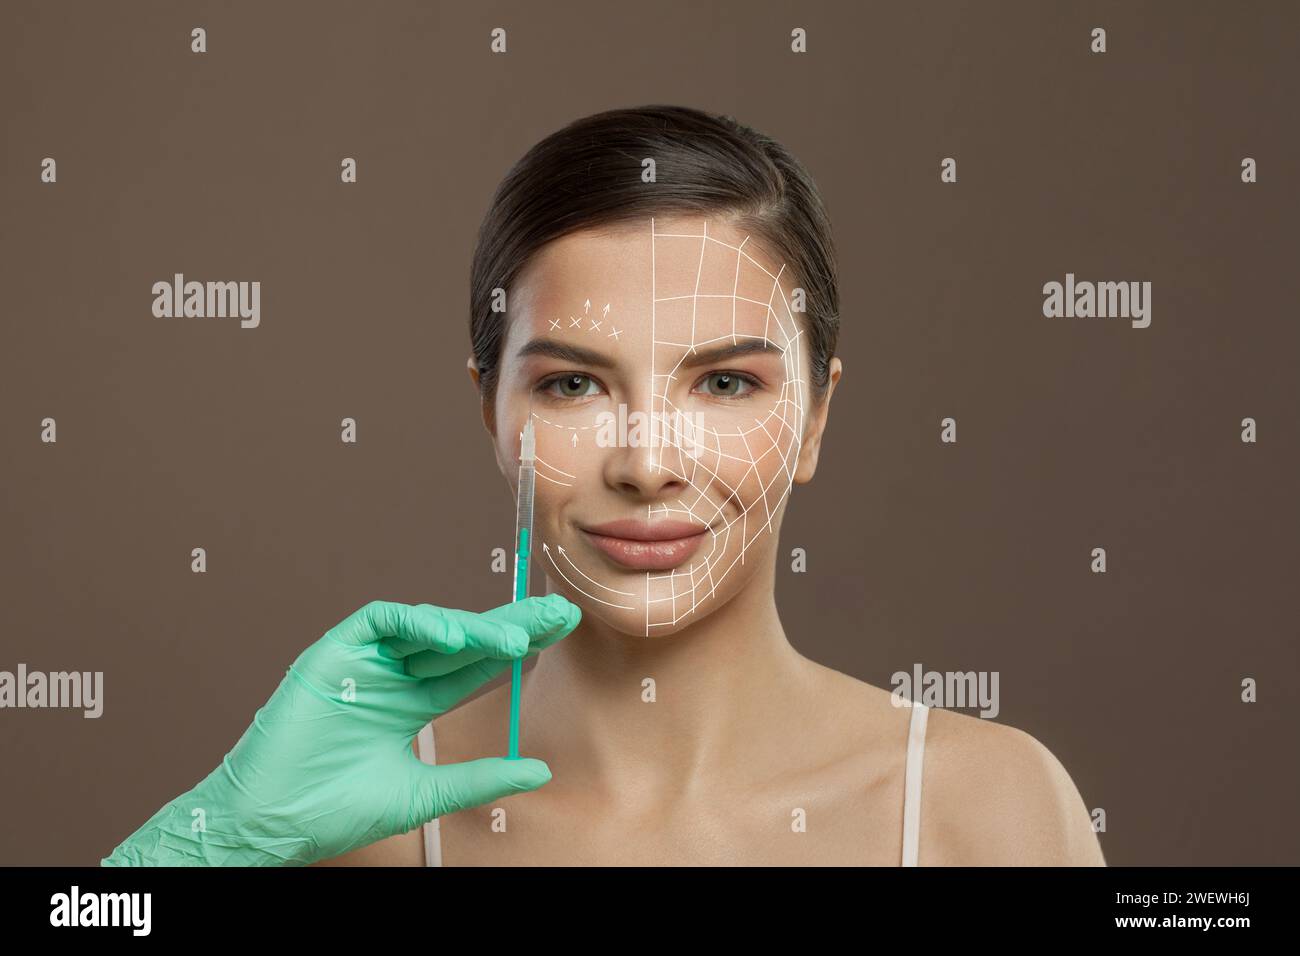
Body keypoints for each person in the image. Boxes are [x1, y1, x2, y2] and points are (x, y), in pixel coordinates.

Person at [104, 105, 1105, 867]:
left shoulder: (981, 808)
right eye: (572, 383)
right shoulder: (378, 819)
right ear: (492, 411)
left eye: (724, 381)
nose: (643, 460)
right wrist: (205, 841)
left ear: (815, 416)